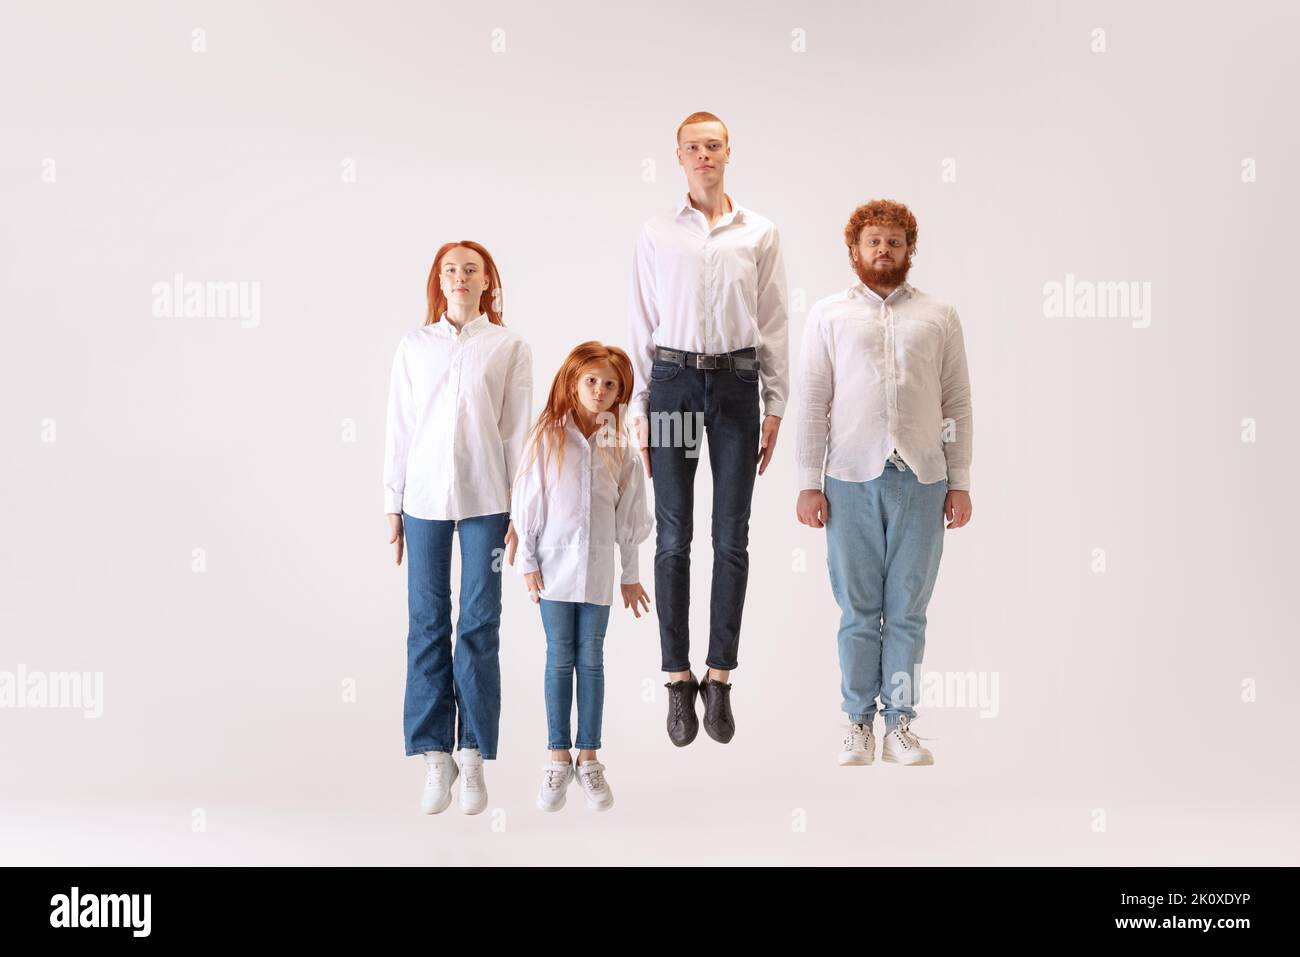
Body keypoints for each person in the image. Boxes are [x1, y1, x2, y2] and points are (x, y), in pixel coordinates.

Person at [627, 111, 789, 747]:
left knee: (731, 536)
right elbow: (641, 320)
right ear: (678, 155)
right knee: (672, 535)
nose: (704, 155)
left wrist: (774, 404)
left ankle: (719, 676)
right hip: (671, 382)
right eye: (693, 147)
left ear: (729, 152)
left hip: (736, 387)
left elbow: (774, 320)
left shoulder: (760, 232)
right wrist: (640, 407)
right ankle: (676, 677)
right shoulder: (656, 231)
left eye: (714, 145)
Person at [794, 200, 973, 767]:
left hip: (923, 477)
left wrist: (960, 479)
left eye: (894, 242)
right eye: (873, 241)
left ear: (909, 250)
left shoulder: (939, 316)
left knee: (908, 610)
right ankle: (857, 722)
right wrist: (807, 481)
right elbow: (814, 400)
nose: (883, 251)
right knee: (857, 608)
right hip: (848, 476)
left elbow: (957, 402)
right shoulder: (827, 314)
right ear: (855, 249)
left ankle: (901, 723)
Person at [383, 240, 533, 813]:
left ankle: (471, 751)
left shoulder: (509, 346)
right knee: (425, 621)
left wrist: (521, 509)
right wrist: (391, 503)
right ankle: (433, 754)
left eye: (471, 268)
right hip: (421, 499)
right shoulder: (414, 346)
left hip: (486, 499)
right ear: (438, 281)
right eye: (450, 269)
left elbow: (516, 430)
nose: (460, 276)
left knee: (478, 621)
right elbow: (398, 426)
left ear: (488, 279)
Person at [512, 342, 653, 812]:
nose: (600, 390)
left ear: (620, 393)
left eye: (610, 384)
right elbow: (529, 502)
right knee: (559, 656)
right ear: (572, 382)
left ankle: (589, 756)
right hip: (552, 570)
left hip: (596, 574)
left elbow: (630, 517)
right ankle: (557, 755)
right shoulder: (548, 436)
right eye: (591, 380)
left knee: (591, 658)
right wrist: (528, 562)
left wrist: (631, 575)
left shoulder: (620, 448)